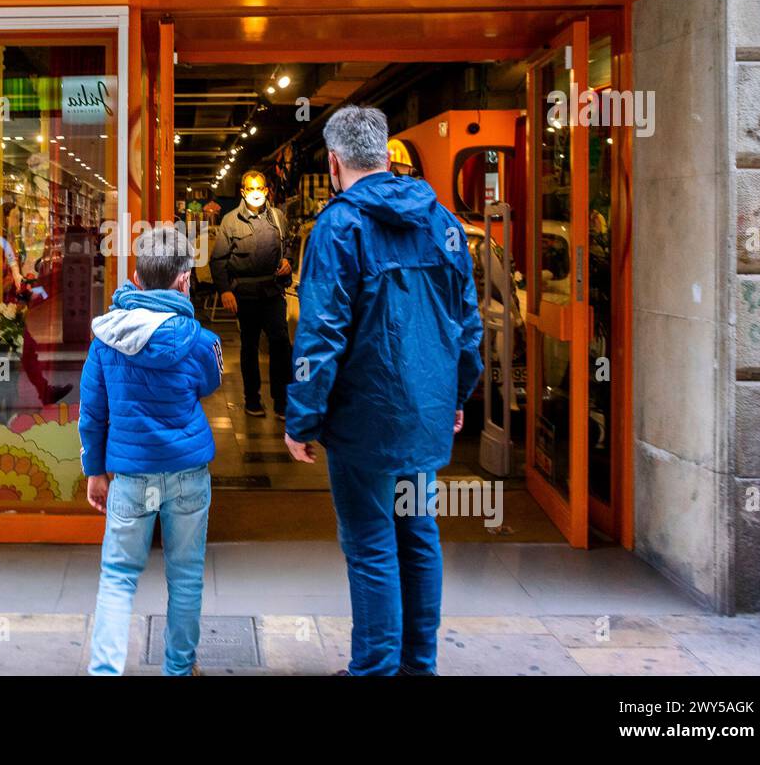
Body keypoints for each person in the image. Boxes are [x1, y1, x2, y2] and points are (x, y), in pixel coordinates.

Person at [284, 105, 483, 676]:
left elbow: (320, 336)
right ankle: (419, 666)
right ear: (387, 151)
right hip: (423, 417)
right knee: (418, 536)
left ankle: (373, 668)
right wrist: (456, 398)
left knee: (371, 544)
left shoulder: (338, 228)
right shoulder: (442, 221)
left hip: (363, 423)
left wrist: (302, 419)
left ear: (334, 160)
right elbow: (467, 328)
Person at [80, 226, 223, 676]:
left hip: (131, 475)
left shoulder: (106, 336)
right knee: (185, 576)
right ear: (184, 280)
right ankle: (178, 668)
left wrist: (95, 470)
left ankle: (105, 671)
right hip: (187, 473)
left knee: (119, 577)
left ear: (136, 278)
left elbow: (92, 411)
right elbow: (210, 383)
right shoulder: (199, 340)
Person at [208, 170, 293, 418]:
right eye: (251, 188)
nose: (256, 193)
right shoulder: (230, 221)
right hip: (244, 294)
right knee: (249, 346)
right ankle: (252, 400)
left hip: (273, 292)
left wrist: (287, 261)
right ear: (244, 192)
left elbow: (287, 247)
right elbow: (218, 260)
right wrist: (225, 291)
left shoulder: (278, 218)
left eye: (260, 188)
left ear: (266, 191)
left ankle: (282, 402)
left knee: (280, 344)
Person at [0, 200, 71, 407]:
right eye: (16, 217)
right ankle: (3, 397)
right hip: (0, 310)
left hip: (9, 308)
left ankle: (35, 392)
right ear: (3, 217)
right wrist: (21, 283)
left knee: (24, 351)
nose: (19, 222)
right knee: (15, 352)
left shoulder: (7, 242)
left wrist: (24, 281)